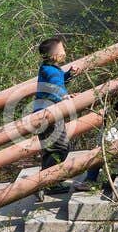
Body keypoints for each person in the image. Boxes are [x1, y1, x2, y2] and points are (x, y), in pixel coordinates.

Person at [32, 37, 105, 195]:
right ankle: (45, 182)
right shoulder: (51, 71)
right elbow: (56, 86)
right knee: (61, 148)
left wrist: (69, 75)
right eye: (62, 50)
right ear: (55, 55)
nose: (65, 52)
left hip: (42, 112)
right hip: (49, 115)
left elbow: (58, 82)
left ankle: (49, 182)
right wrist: (65, 97)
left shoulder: (47, 68)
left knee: (51, 149)